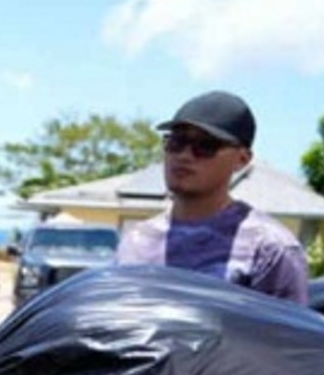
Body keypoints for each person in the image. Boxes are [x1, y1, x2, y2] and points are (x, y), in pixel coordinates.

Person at [117, 90, 308, 303]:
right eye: (176, 142)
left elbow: (287, 335)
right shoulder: (136, 241)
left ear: (242, 159)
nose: (184, 155)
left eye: (205, 146)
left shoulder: (270, 250)